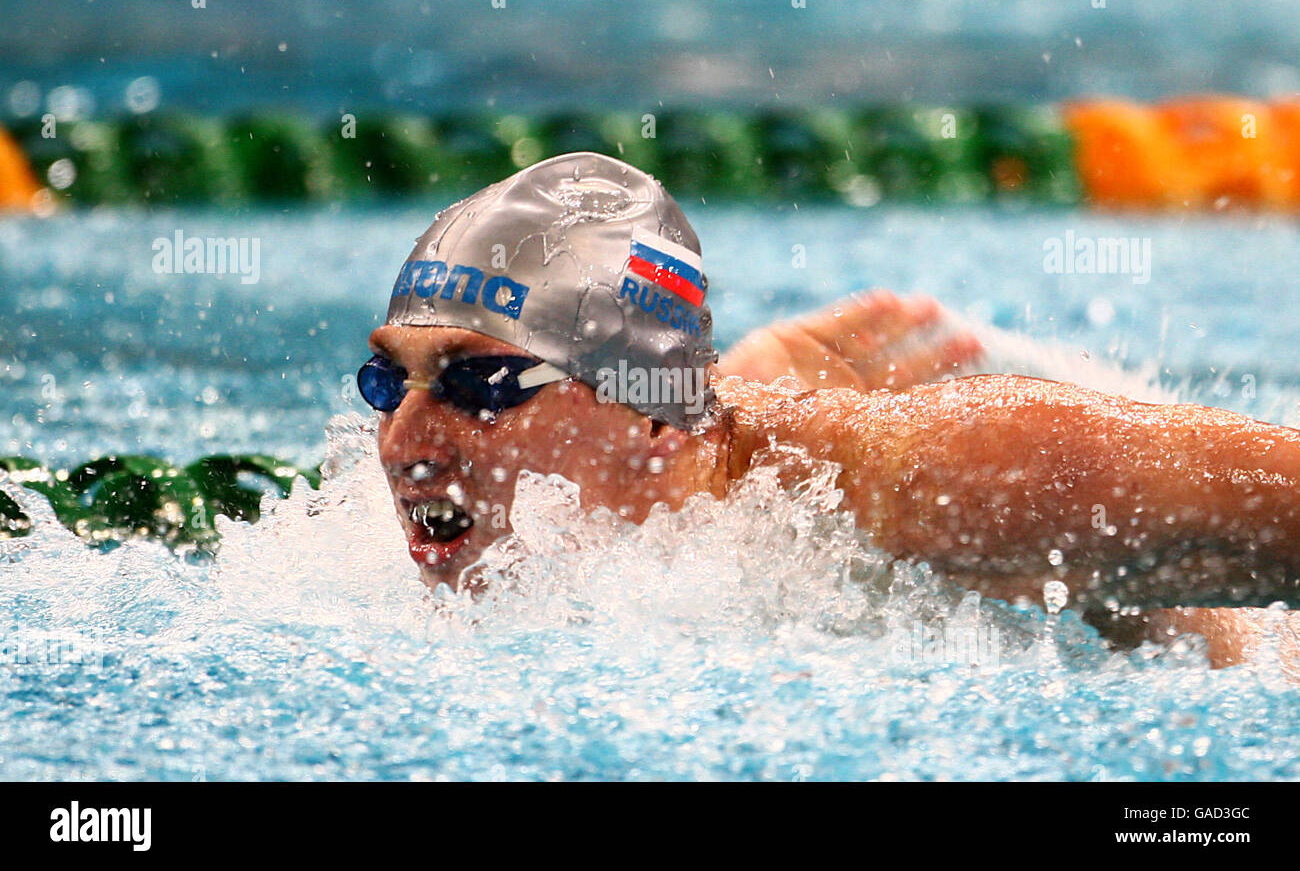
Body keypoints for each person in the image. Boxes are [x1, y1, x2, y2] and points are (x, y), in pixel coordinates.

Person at [364, 151, 1300, 668]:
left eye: (477, 385)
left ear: (643, 405)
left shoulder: (932, 476)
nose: (404, 443)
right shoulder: (403, 526)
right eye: (386, 381)